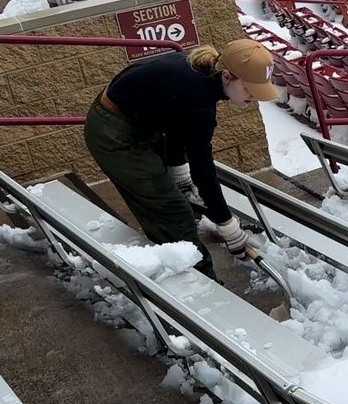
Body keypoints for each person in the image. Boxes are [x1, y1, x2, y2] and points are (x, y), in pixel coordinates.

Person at [84, 40, 279, 282]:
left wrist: (177, 169)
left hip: (137, 121)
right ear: (227, 76)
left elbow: (177, 123)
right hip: (115, 134)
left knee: (174, 193)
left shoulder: (203, 73)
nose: (253, 98)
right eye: (249, 89)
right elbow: (203, 169)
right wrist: (227, 226)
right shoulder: (199, 98)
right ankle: (199, 286)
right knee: (172, 213)